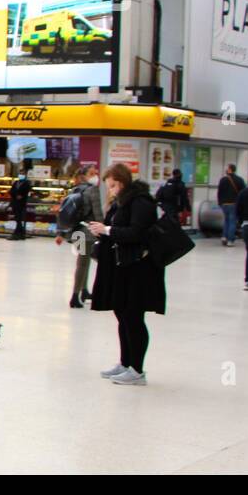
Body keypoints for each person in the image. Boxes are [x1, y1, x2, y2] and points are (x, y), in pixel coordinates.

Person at [85, 163, 165, 387]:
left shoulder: (141, 201)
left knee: (133, 317)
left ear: (122, 182)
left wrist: (108, 230)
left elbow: (137, 233)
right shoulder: (122, 202)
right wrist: (103, 229)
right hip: (122, 266)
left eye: (112, 185)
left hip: (139, 269)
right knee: (122, 314)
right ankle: (125, 362)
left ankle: (137, 370)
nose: (110, 190)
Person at [56, 166, 103, 308]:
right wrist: (103, 229)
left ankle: (84, 290)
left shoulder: (75, 189)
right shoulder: (92, 190)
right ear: (85, 175)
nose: (96, 175)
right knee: (82, 264)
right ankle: (75, 296)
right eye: (92, 173)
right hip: (87, 233)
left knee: (84, 261)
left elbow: (65, 212)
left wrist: (61, 233)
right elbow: (97, 213)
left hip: (76, 232)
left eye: (96, 173)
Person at [217, 164, 246, 246]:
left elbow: (219, 192)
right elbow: (243, 193)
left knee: (226, 220)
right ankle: (230, 240)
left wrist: (220, 202)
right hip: (234, 203)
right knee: (232, 221)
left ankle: (224, 236)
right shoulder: (239, 180)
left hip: (224, 204)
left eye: (227, 168)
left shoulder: (223, 180)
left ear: (230, 169)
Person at [8, 170, 33, 240]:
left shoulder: (27, 183)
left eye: (22, 174)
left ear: (25, 175)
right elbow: (11, 191)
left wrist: (21, 195)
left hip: (21, 203)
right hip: (14, 202)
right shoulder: (16, 182)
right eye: (20, 173)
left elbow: (26, 191)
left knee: (18, 218)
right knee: (17, 218)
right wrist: (16, 195)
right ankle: (21, 233)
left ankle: (17, 233)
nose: (21, 175)